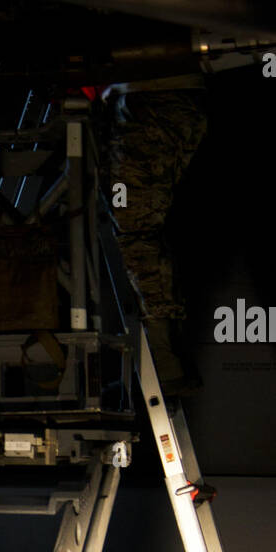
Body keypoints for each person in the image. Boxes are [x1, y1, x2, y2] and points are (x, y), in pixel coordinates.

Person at [101, 73, 208, 392]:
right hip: (153, 103)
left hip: (149, 104)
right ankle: (163, 355)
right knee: (134, 227)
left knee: (133, 231)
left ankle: (164, 359)